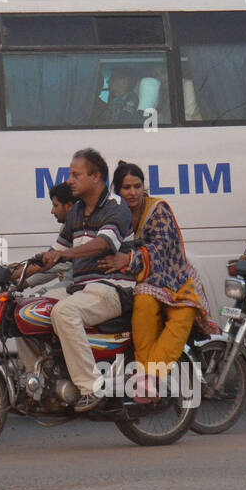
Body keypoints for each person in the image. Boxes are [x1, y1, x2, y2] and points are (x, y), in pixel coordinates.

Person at [99, 162, 215, 394]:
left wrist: (129, 259)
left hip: (174, 278)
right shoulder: (114, 213)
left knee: (184, 313)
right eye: (126, 187)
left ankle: (151, 375)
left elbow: (163, 248)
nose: (132, 192)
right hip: (140, 282)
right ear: (117, 190)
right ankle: (142, 376)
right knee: (143, 306)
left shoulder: (157, 210)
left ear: (144, 187)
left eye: (137, 186)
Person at [37, 148, 134, 412]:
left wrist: (64, 253)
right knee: (25, 308)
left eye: (76, 175)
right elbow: (52, 254)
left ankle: (91, 388)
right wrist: (14, 273)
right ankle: (45, 385)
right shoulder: (77, 211)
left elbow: (103, 244)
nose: (70, 180)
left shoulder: (116, 207)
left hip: (112, 288)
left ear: (96, 177)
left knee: (64, 312)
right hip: (80, 288)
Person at [15, 181, 76, 289]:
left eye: (55, 205)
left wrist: (16, 275)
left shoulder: (81, 226)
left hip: (76, 287)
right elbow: (49, 264)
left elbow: (54, 262)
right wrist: (23, 279)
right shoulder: (67, 227)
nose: (52, 211)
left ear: (69, 206)